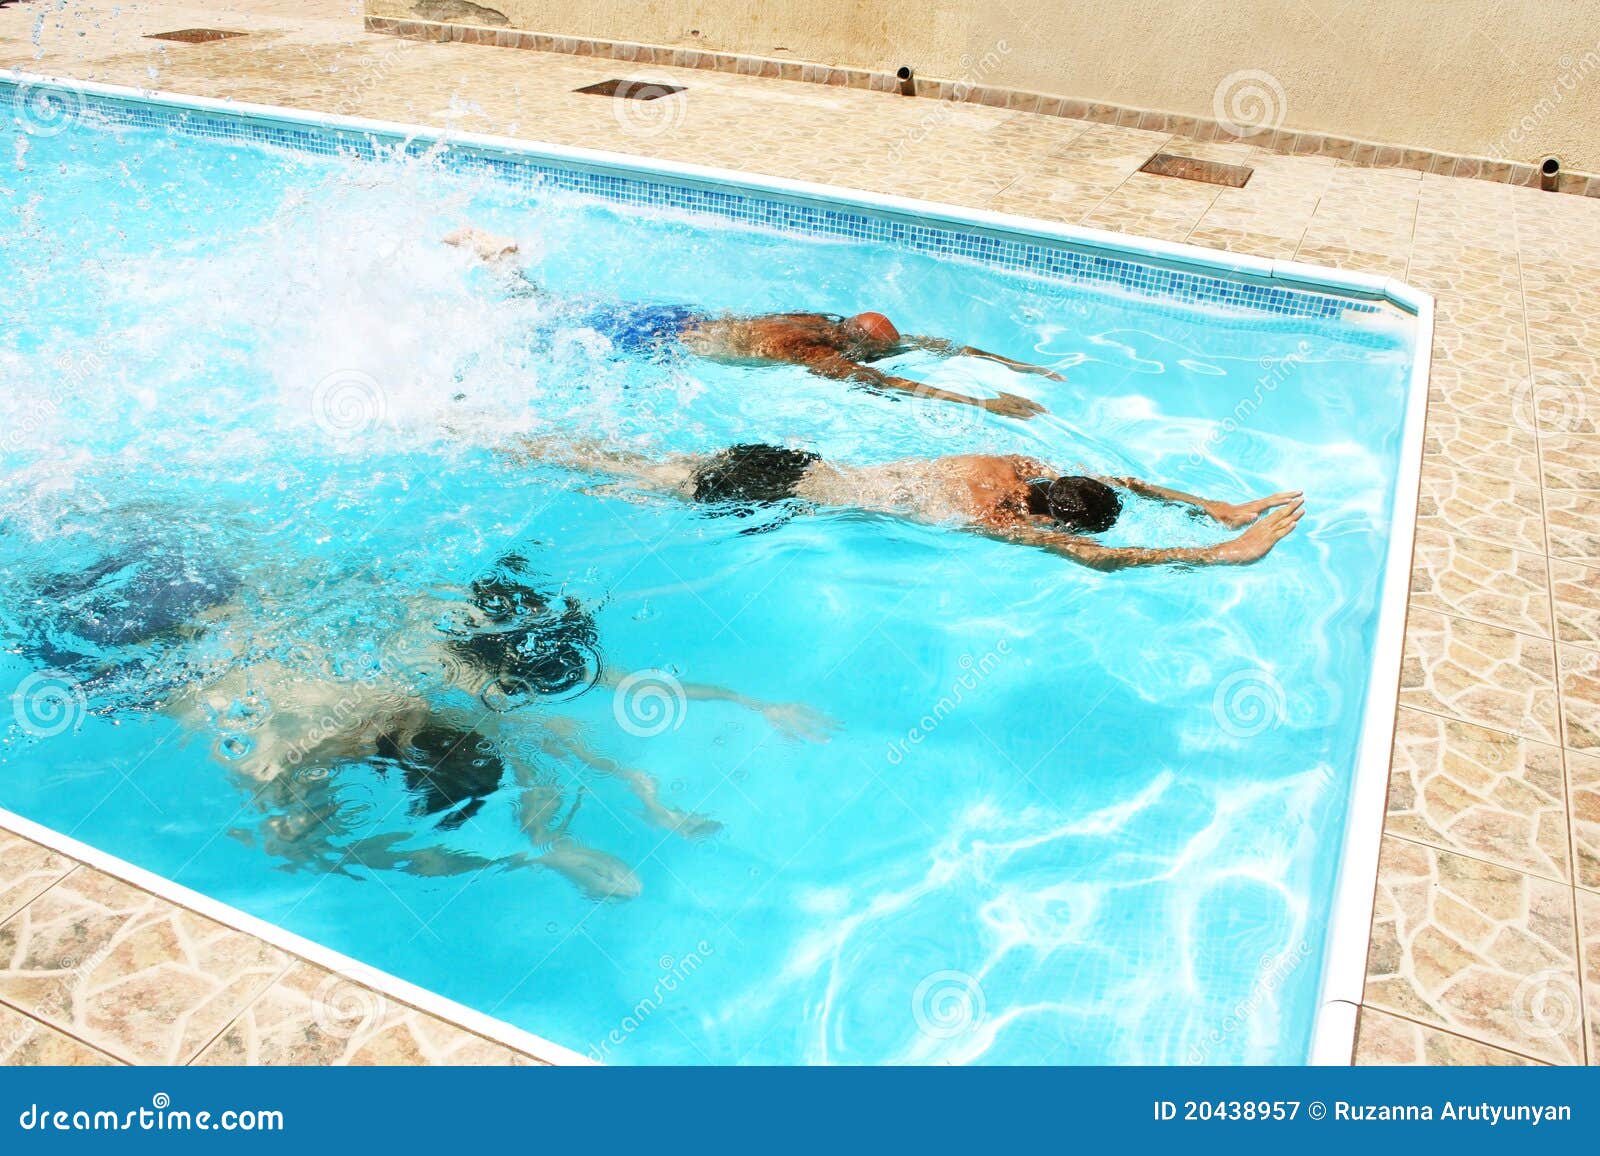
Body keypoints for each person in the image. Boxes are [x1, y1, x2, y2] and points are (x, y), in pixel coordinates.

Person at [444, 227, 1057, 419]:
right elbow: (882, 381)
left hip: (683, 316)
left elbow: (918, 346)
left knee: (560, 312)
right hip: (660, 338)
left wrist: (1011, 364)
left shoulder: (824, 321)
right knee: (543, 330)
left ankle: (507, 267)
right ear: (858, 343)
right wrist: (982, 405)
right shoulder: (806, 349)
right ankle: (501, 275)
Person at [510, 438, 1305, 571]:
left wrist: (1211, 503)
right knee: (623, 483)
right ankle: (506, 450)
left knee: (627, 463)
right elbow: (1103, 561)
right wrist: (1218, 548)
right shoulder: (1000, 521)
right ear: (1050, 515)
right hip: (774, 490)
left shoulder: (1009, 466)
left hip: (792, 459)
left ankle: (518, 441)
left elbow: (1112, 478)